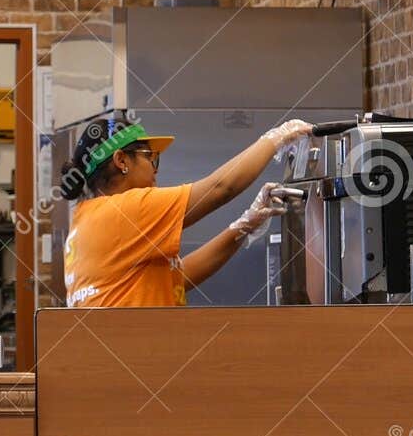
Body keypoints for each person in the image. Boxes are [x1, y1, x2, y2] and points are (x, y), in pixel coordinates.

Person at [60, 111, 314, 308]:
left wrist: (243, 226)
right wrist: (276, 137)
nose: (155, 169)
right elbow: (221, 188)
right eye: (150, 157)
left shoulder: (88, 217)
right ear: (121, 160)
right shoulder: (125, 210)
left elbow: (178, 278)